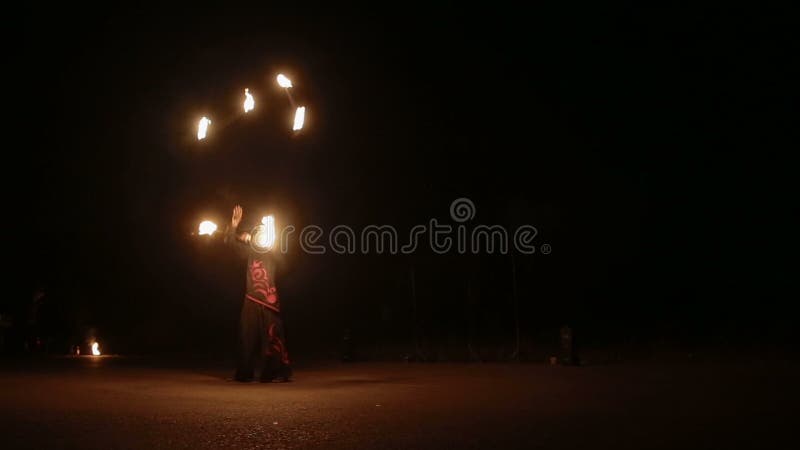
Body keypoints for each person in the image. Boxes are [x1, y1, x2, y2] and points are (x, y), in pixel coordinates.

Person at [226, 205, 292, 382]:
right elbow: (232, 245)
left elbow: (284, 264)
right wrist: (234, 227)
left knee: (272, 336)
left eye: (265, 232)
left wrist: (270, 242)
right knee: (246, 336)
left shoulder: (274, 251)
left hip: (269, 301)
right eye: (258, 232)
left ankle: (277, 372)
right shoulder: (249, 252)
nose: (261, 234)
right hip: (251, 297)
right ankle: (244, 373)